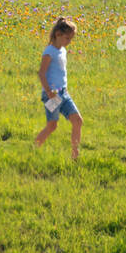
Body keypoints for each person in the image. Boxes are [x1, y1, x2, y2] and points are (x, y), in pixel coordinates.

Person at [34, 17, 82, 161]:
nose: (69, 42)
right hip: (52, 95)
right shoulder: (49, 52)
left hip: (63, 93)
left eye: (71, 39)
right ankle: (34, 150)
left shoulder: (63, 50)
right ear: (58, 34)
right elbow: (41, 73)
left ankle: (75, 155)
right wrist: (49, 93)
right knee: (52, 126)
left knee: (78, 121)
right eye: (67, 38)